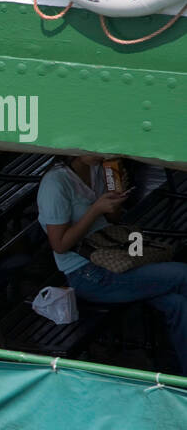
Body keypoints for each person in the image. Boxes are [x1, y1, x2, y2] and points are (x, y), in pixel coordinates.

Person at [38, 153, 187, 372]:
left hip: (114, 254)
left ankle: (176, 374)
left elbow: (112, 220)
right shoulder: (55, 183)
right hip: (87, 273)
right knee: (182, 274)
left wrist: (116, 200)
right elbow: (60, 244)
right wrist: (96, 209)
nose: (107, 153)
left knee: (178, 304)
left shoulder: (98, 167)